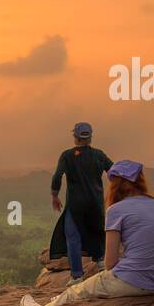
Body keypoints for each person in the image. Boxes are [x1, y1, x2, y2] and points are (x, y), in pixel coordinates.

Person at [23, 160, 154, 306]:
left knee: (75, 292)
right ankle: (57, 300)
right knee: (84, 289)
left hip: (131, 282)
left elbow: (110, 263)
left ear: (115, 183)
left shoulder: (116, 210)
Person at [48, 122, 113, 286]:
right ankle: (100, 262)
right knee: (97, 229)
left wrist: (55, 196)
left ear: (76, 138)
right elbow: (113, 171)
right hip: (95, 202)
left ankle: (77, 276)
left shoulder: (67, 155)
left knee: (73, 236)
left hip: (76, 203)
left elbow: (57, 176)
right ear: (90, 137)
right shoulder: (99, 155)